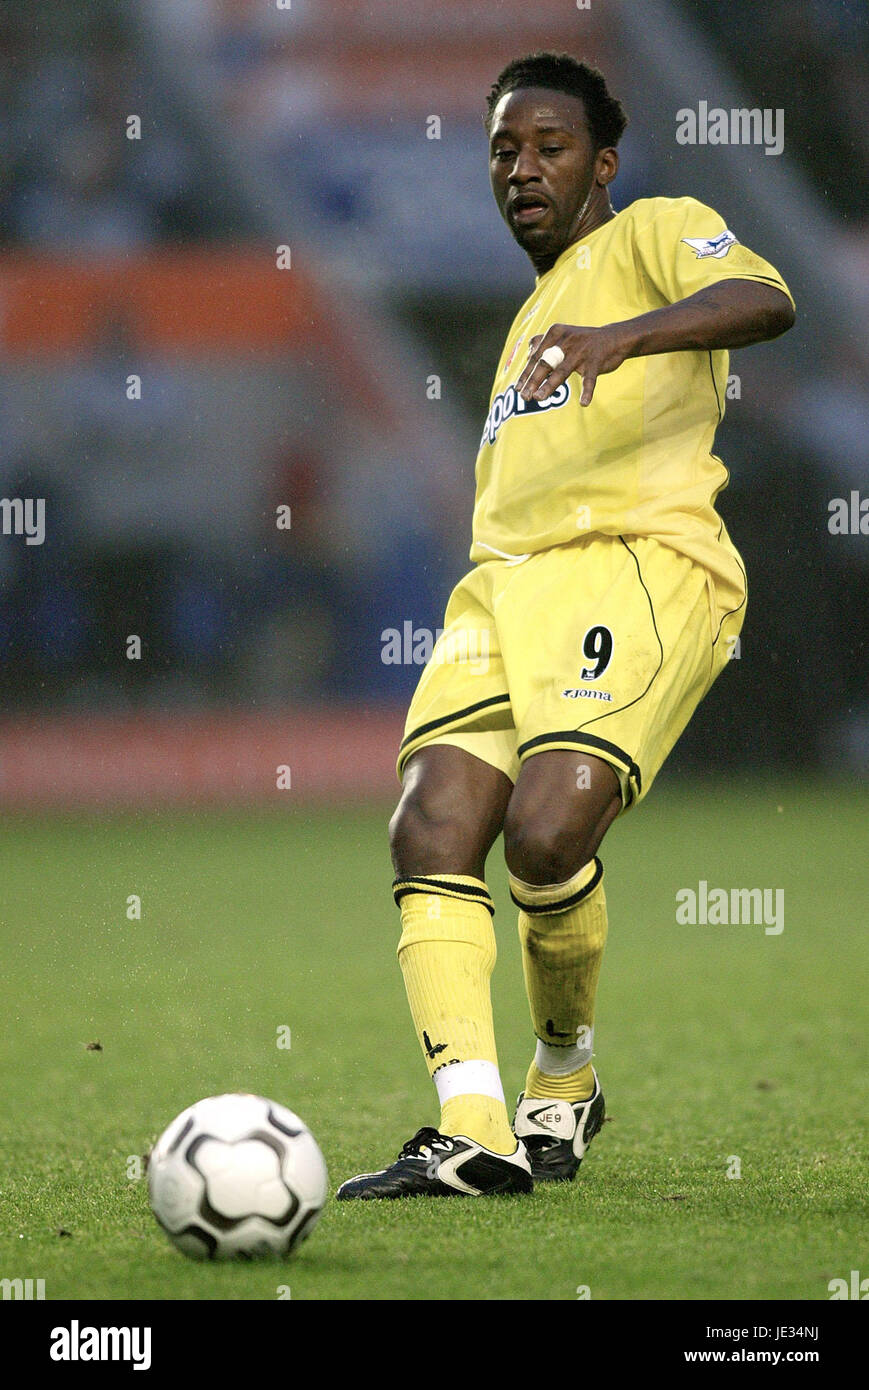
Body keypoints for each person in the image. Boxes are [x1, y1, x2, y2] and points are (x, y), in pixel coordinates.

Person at [337, 51, 795, 1200]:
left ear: (601, 161)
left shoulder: (652, 233)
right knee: (429, 825)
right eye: (502, 149)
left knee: (546, 835)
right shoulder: (527, 316)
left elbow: (766, 299)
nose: (521, 167)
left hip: (635, 566)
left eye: (547, 145)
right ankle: (475, 1133)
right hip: (501, 589)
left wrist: (623, 337)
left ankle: (564, 1075)